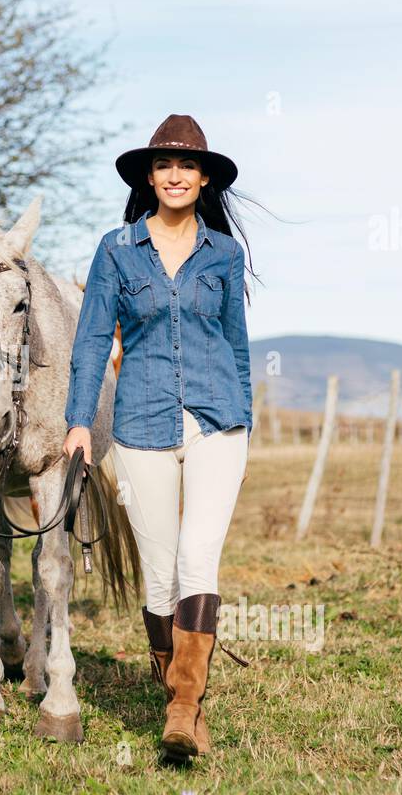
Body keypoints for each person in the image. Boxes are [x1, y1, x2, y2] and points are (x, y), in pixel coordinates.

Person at [63, 113, 258, 759]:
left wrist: (244, 420)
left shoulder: (224, 254)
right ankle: (177, 685)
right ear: (150, 177)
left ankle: (183, 706)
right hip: (141, 421)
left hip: (215, 422)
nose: (175, 175)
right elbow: (92, 340)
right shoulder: (116, 248)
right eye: (164, 165)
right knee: (159, 574)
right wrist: (77, 423)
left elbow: (236, 343)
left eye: (187, 166)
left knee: (198, 556)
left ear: (204, 179)